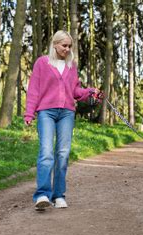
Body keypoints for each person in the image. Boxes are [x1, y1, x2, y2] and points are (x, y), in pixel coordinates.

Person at [24, 30, 100, 211]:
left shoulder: (71, 66)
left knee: (63, 154)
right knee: (46, 152)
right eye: (64, 45)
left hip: (66, 113)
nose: (67, 49)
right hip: (46, 113)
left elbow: (75, 91)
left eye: (69, 46)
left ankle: (59, 195)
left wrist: (90, 92)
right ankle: (42, 195)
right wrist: (29, 113)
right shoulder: (42, 63)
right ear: (55, 44)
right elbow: (34, 89)